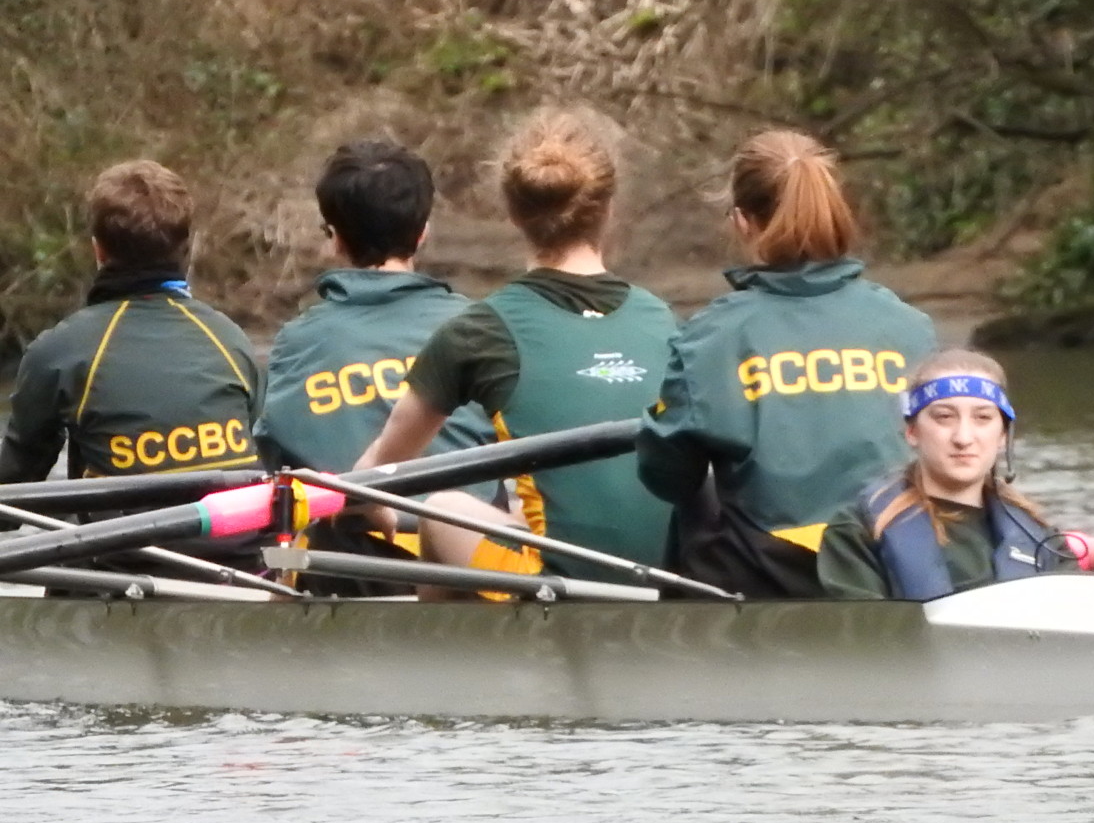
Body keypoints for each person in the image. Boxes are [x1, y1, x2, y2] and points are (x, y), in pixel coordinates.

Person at [354, 108, 675, 582]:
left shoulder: (480, 330)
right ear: (608, 210)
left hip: (563, 585)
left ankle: (449, 652)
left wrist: (363, 509)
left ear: (511, 213)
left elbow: (379, 473)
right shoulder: (664, 321)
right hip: (671, 577)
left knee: (443, 507)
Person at [636, 129, 937, 598]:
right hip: (894, 573)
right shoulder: (911, 328)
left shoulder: (711, 336)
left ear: (741, 221)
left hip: (768, 585)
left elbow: (666, 475)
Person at [1, 161, 262, 484]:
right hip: (244, 533)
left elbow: (14, 485)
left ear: (98, 250)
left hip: (126, 534)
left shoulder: (58, 352)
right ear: (186, 249)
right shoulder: (230, 339)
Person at [259, 139, 492, 474]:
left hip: (349, 524)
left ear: (335, 238)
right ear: (423, 233)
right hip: (472, 524)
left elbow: (273, 456)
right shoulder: (482, 327)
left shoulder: (295, 344)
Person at [817, 350, 1078, 600]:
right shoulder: (856, 533)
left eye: (983, 418)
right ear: (912, 432)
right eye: (944, 417)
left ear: (1002, 436)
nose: (963, 438)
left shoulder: (1042, 538)